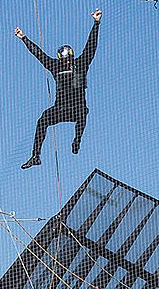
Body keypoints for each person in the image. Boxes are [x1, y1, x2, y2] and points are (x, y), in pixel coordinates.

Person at [16, 9, 102, 169]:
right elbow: (39, 54)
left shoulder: (81, 63)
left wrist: (96, 23)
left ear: (72, 57)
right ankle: (35, 156)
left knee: (84, 111)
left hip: (77, 108)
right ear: (60, 59)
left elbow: (91, 46)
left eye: (69, 59)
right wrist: (24, 38)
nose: (68, 62)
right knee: (43, 119)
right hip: (61, 109)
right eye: (65, 60)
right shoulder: (55, 66)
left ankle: (77, 140)